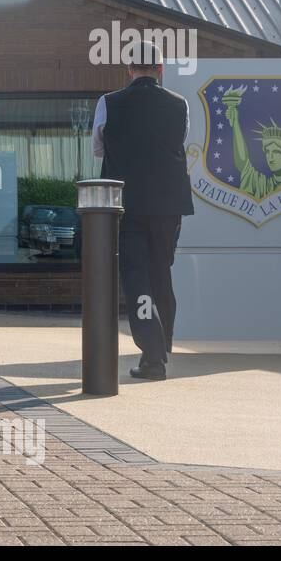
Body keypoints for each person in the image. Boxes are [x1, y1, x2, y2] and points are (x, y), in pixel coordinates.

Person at [92, 40, 193, 381]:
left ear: (130, 69)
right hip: (169, 204)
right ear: (160, 70)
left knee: (136, 276)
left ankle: (152, 356)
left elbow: (97, 148)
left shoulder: (109, 103)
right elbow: (179, 142)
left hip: (127, 203)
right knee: (161, 270)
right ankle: (162, 346)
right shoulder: (179, 104)